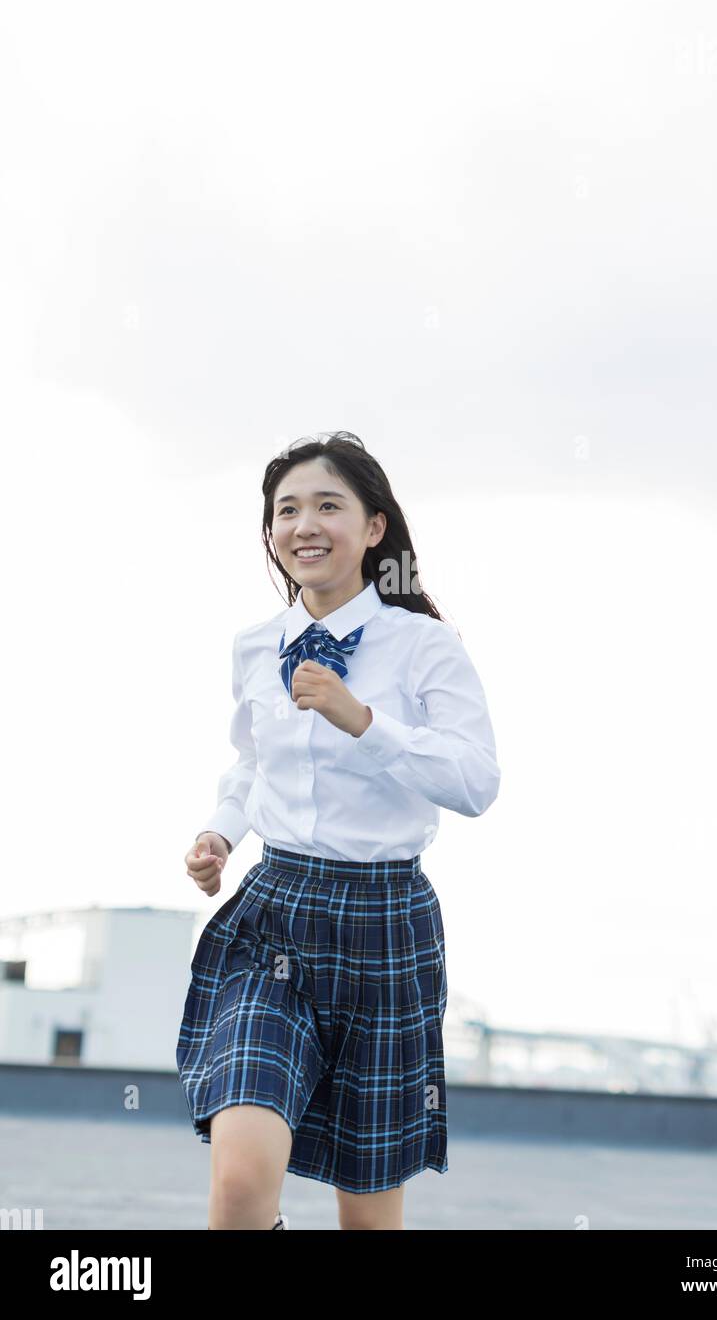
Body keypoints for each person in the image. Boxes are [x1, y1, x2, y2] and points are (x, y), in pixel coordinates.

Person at [176, 430, 501, 1230]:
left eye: (329, 505)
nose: (304, 525)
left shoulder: (424, 648)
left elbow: (475, 783)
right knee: (241, 1188)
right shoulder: (256, 648)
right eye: (287, 510)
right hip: (271, 916)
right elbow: (251, 768)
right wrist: (221, 833)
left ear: (374, 529)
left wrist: (366, 722)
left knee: (367, 1214)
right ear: (270, 533)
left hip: (385, 925)